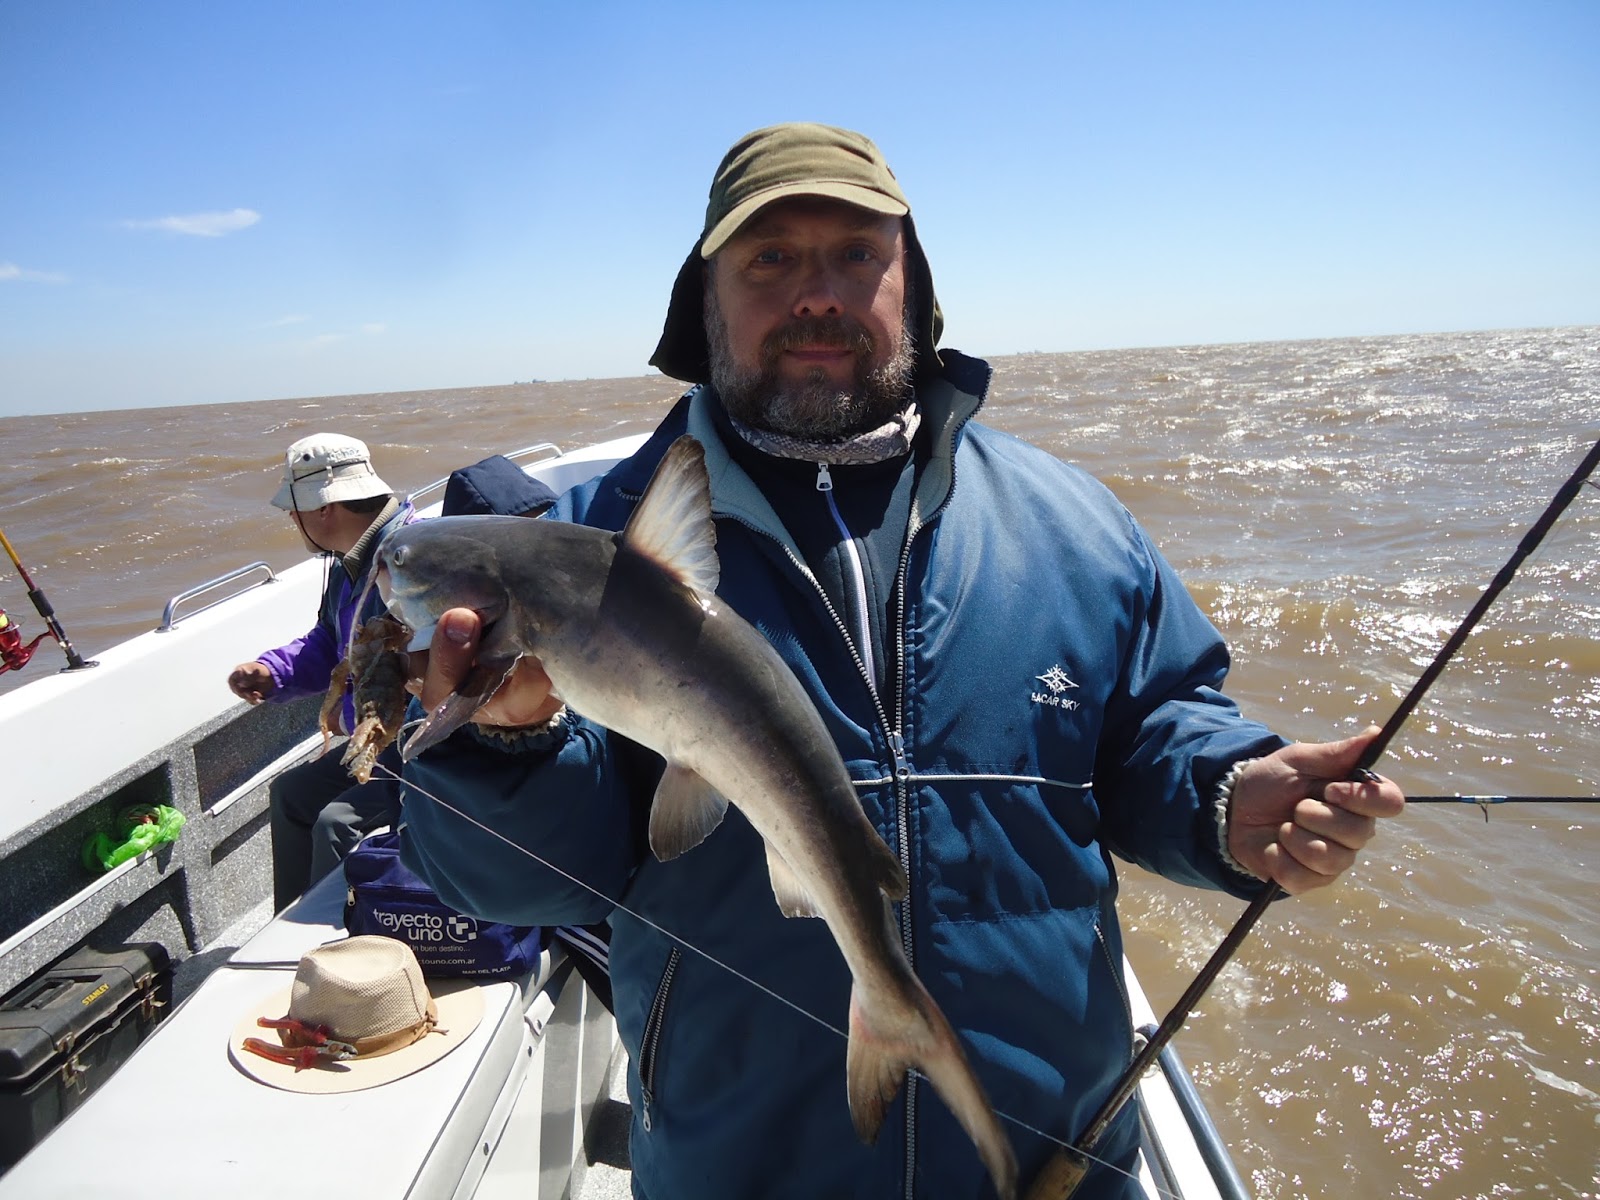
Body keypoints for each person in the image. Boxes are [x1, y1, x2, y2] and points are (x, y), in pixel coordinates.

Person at [397, 124, 1406, 1199]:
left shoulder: (1073, 523)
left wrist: (1220, 797)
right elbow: (514, 886)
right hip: (747, 1165)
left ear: (913, 286)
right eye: (769, 259)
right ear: (705, 304)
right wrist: (504, 749)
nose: (816, 294)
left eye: (856, 254)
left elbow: (1152, 732)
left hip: (1051, 1156)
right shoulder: (585, 545)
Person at [228, 432, 414, 912]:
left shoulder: (407, 560)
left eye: (295, 508)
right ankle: (290, 927)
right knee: (291, 794)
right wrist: (273, 672)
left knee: (336, 822)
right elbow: (332, 646)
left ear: (325, 508)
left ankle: (345, 947)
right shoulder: (350, 565)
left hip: (417, 753)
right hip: (367, 744)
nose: (292, 519)